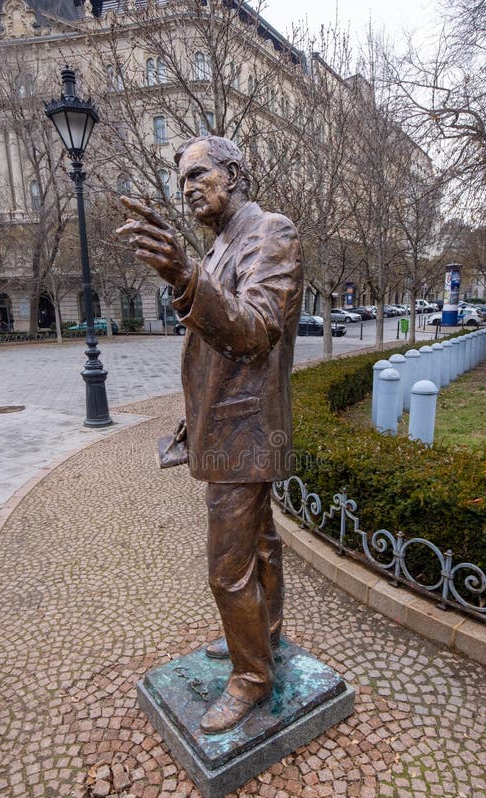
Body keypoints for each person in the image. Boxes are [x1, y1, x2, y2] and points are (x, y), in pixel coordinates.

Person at [117, 136, 303, 733]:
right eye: (182, 181)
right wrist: (191, 419)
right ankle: (264, 636)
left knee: (227, 569)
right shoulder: (224, 245)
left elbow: (253, 331)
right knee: (262, 545)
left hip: (248, 432)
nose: (189, 188)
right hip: (228, 427)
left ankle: (251, 678)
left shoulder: (272, 233)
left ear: (235, 173)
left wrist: (181, 272)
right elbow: (214, 355)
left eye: (199, 174)